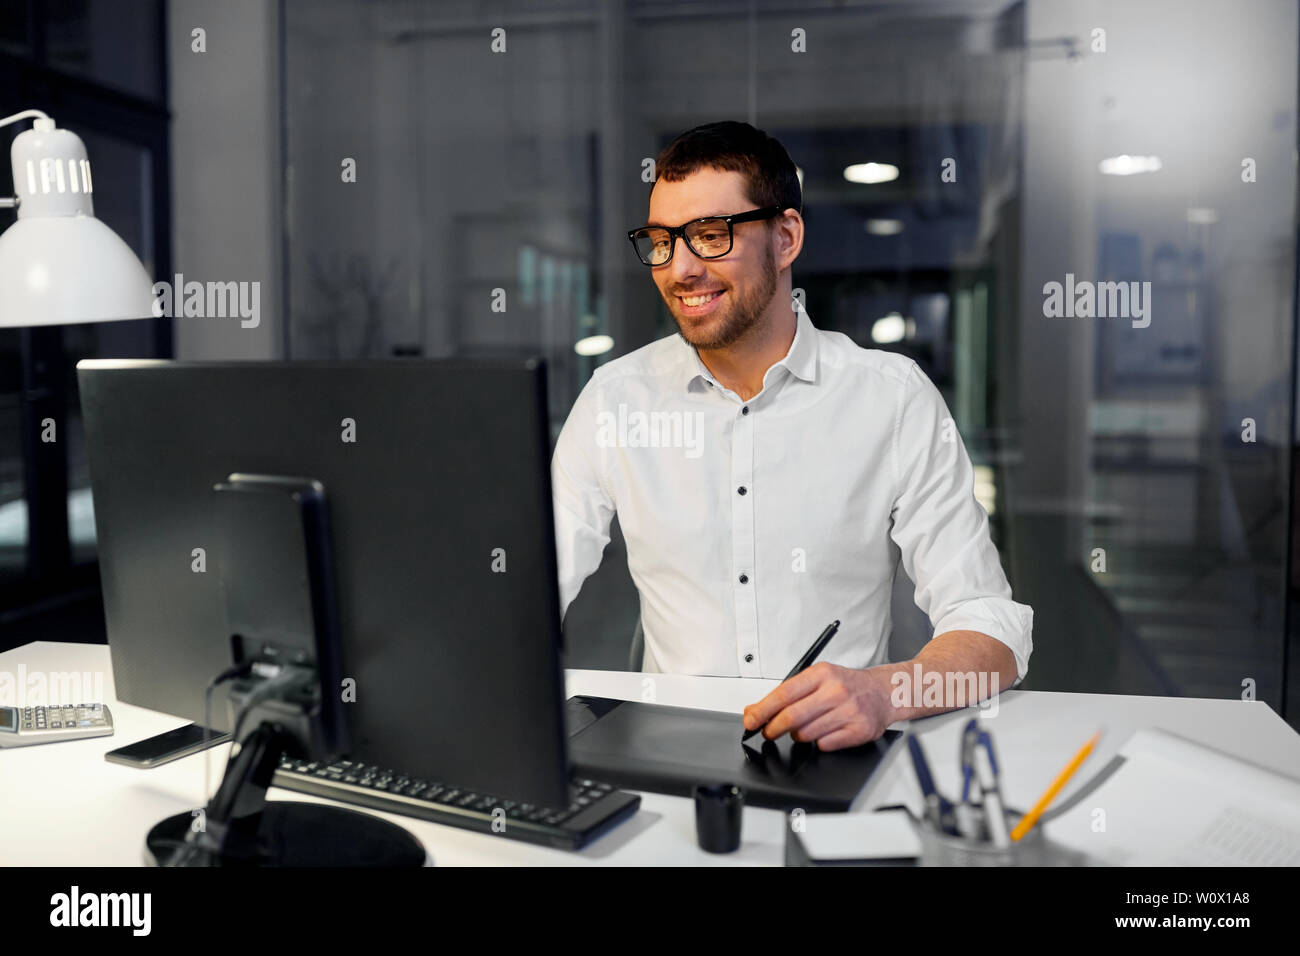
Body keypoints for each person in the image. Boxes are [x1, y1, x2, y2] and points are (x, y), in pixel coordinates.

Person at [552, 120, 1032, 749]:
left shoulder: (890, 397)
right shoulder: (616, 399)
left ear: (785, 237)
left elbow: (992, 628)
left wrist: (884, 693)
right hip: (668, 757)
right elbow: (523, 590)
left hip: (838, 750)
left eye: (709, 235)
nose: (681, 268)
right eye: (662, 242)